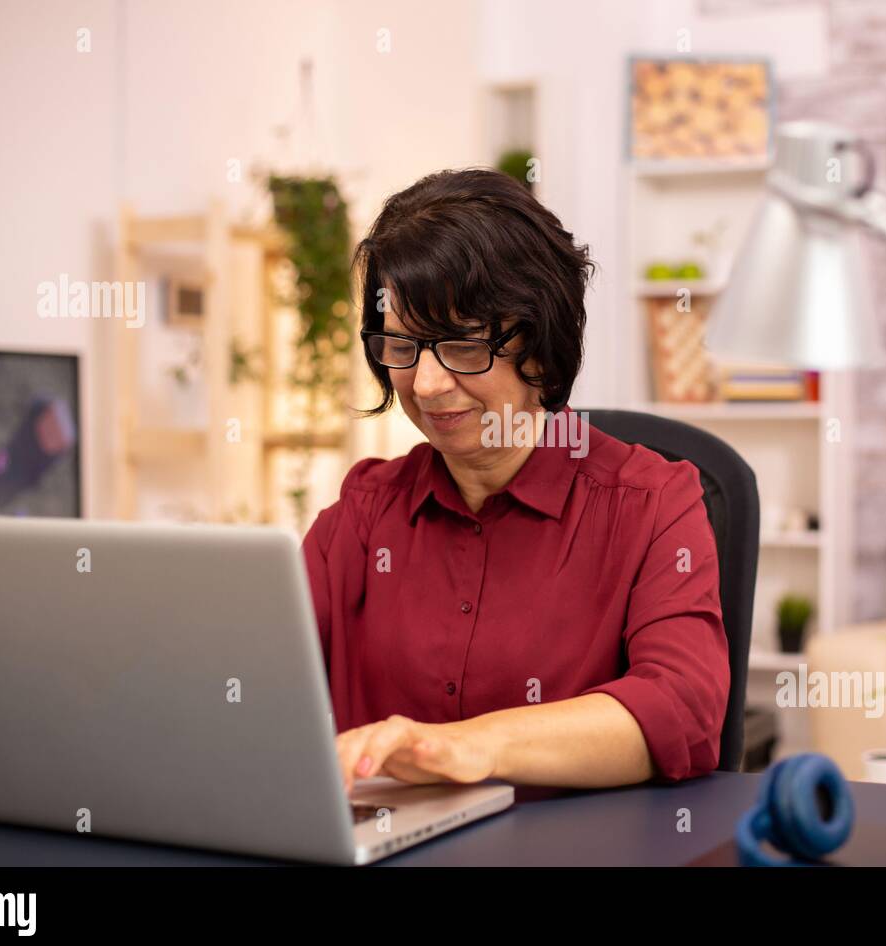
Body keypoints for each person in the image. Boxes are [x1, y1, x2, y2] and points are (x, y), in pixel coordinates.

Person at [301, 168, 729, 794]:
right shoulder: (366, 512)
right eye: (402, 347)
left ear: (540, 341)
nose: (426, 385)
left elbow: (684, 709)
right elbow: (257, 675)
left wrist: (472, 745)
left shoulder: (653, 503)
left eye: (463, 346)